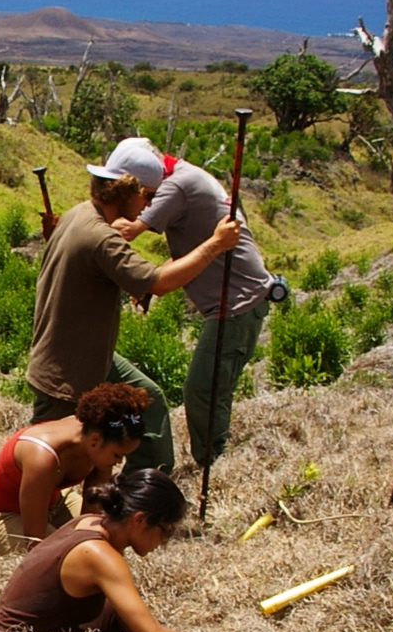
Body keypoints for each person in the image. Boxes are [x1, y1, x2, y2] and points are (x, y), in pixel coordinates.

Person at [26, 165, 241, 473]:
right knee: (48, 458)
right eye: (147, 196)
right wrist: (216, 244)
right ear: (124, 191)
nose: (148, 206)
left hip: (88, 353)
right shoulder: (100, 237)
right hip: (65, 371)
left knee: (147, 400)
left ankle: (146, 482)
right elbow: (160, 283)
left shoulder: (78, 215)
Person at [99, 138, 277, 470]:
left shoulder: (176, 186)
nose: (143, 200)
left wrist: (86, 224)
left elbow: (127, 230)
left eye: (140, 192)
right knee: (211, 388)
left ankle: (214, 464)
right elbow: (188, 250)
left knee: (203, 390)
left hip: (236, 303)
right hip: (238, 302)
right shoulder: (186, 176)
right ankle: (213, 458)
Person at [0, 469, 222, 632]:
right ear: (139, 520)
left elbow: (132, 621)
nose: (165, 541)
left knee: (123, 604)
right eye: (166, 530)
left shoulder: (91, 522)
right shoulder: (99, 554)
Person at [0, 381, 149, 556]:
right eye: (117, 455)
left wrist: (92, 539)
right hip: (3, 515)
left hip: (54, 501)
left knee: (108, 533)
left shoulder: (94, 438)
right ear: (95, 440)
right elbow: (34, 540)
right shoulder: (42, 458)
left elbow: (92, 512)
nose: (119, 462)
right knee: (65, 556)